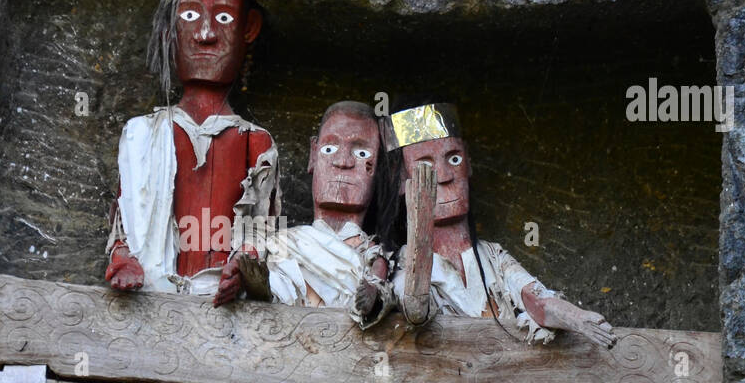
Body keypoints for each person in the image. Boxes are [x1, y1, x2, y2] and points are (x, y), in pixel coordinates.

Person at [105, 0, 279, 305]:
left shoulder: (255, 140)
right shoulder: (142, 134)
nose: (205, 34)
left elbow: (264, 230)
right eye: (189, 16)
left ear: (249, 28)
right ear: (170, 29)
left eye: (224, 18)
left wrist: (244, 269)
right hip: (150, 297)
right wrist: (122, 257)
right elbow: (122, 221)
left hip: (224, 303)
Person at [389, 103, 617, 348]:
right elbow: (415, 309)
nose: (444, 176)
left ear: (469, 164)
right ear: (402, 180)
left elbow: (536, 299)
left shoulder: (492, 256)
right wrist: (420, 228)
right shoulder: (401, 263)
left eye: (454, 159)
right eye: (425, 166)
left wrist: (578, 318)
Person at [259, 101, 397, 329]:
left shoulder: (372, 252)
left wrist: (372, 290)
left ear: (380, 167)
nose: (343, 162)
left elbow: (379, 281)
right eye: (329, 149)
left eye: (362, 153)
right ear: (313, 155)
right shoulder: (285, 243)